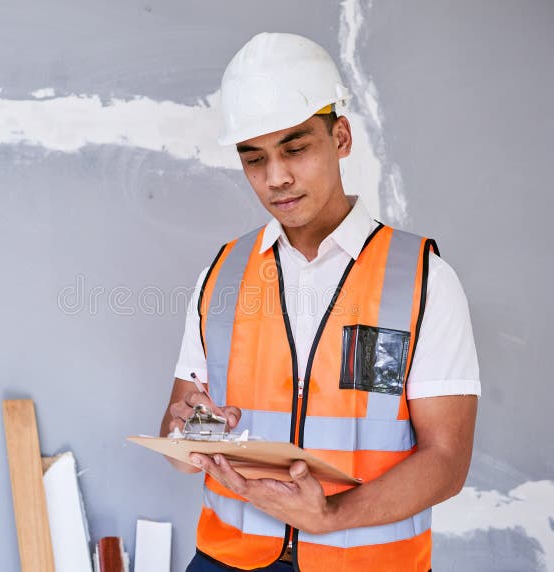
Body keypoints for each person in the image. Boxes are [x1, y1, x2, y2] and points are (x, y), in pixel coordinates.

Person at [160, 32, 479, 572]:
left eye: (296, 147)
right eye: (254, 158)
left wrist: (330, 516)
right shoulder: (223, 274)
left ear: (342, 136)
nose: (276, 177)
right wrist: (188, 428)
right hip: (226, 560)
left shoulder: (423, 280)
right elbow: (182, 438)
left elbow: (446, 461)